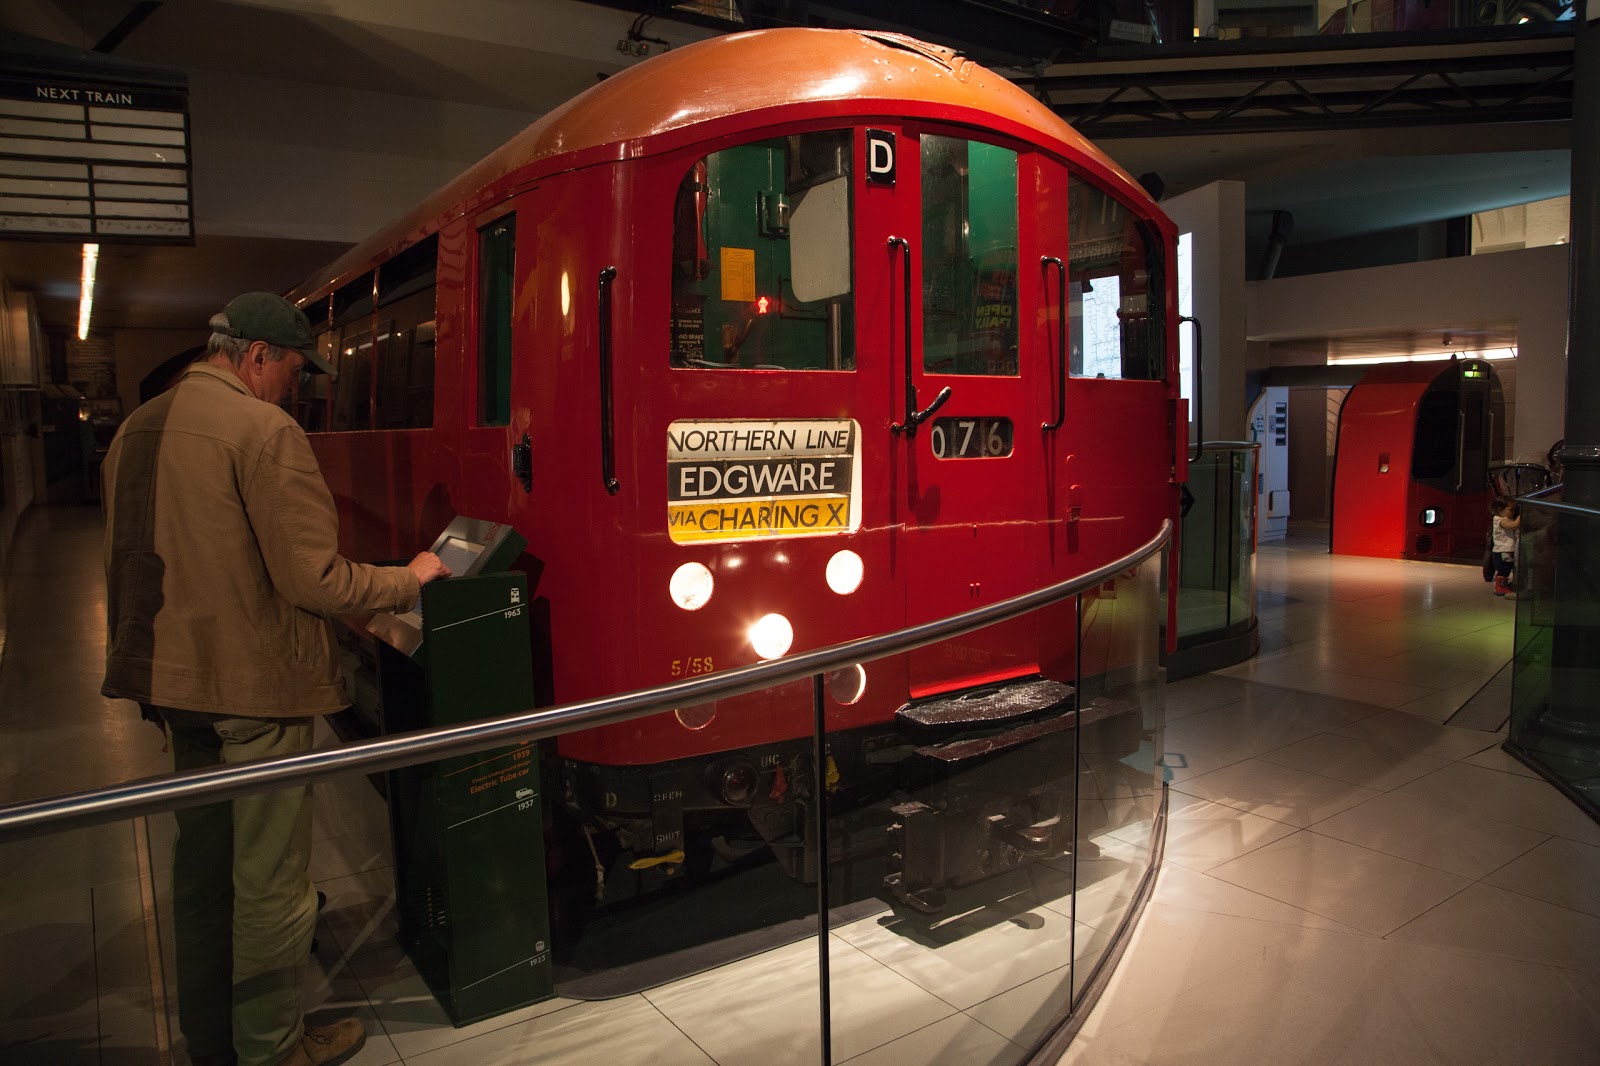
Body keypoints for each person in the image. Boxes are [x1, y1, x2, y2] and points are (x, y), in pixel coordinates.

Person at [101, 292, 451, 1066]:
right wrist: (410, 578)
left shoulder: (137, 426)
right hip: (252, 688)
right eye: (295, 369)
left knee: (202, 875)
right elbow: (316, 583)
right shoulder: (264, 431)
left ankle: (212, 1040)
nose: (298, 387)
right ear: (257, 355)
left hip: (170, 682)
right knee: (271, 887)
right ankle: (271, 1049)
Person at [1490, 496, 1520, 598]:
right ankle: (1500, 587)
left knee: (1507, 569)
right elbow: (1512, 526)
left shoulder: (1506, 519)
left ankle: (1504, 585)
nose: (1513, 512)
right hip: (1502, 551)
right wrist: (1520, 518)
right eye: (1510, 510)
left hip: (1507, 551)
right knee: (1503, 570)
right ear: (1499, 510)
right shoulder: (1499, 520)